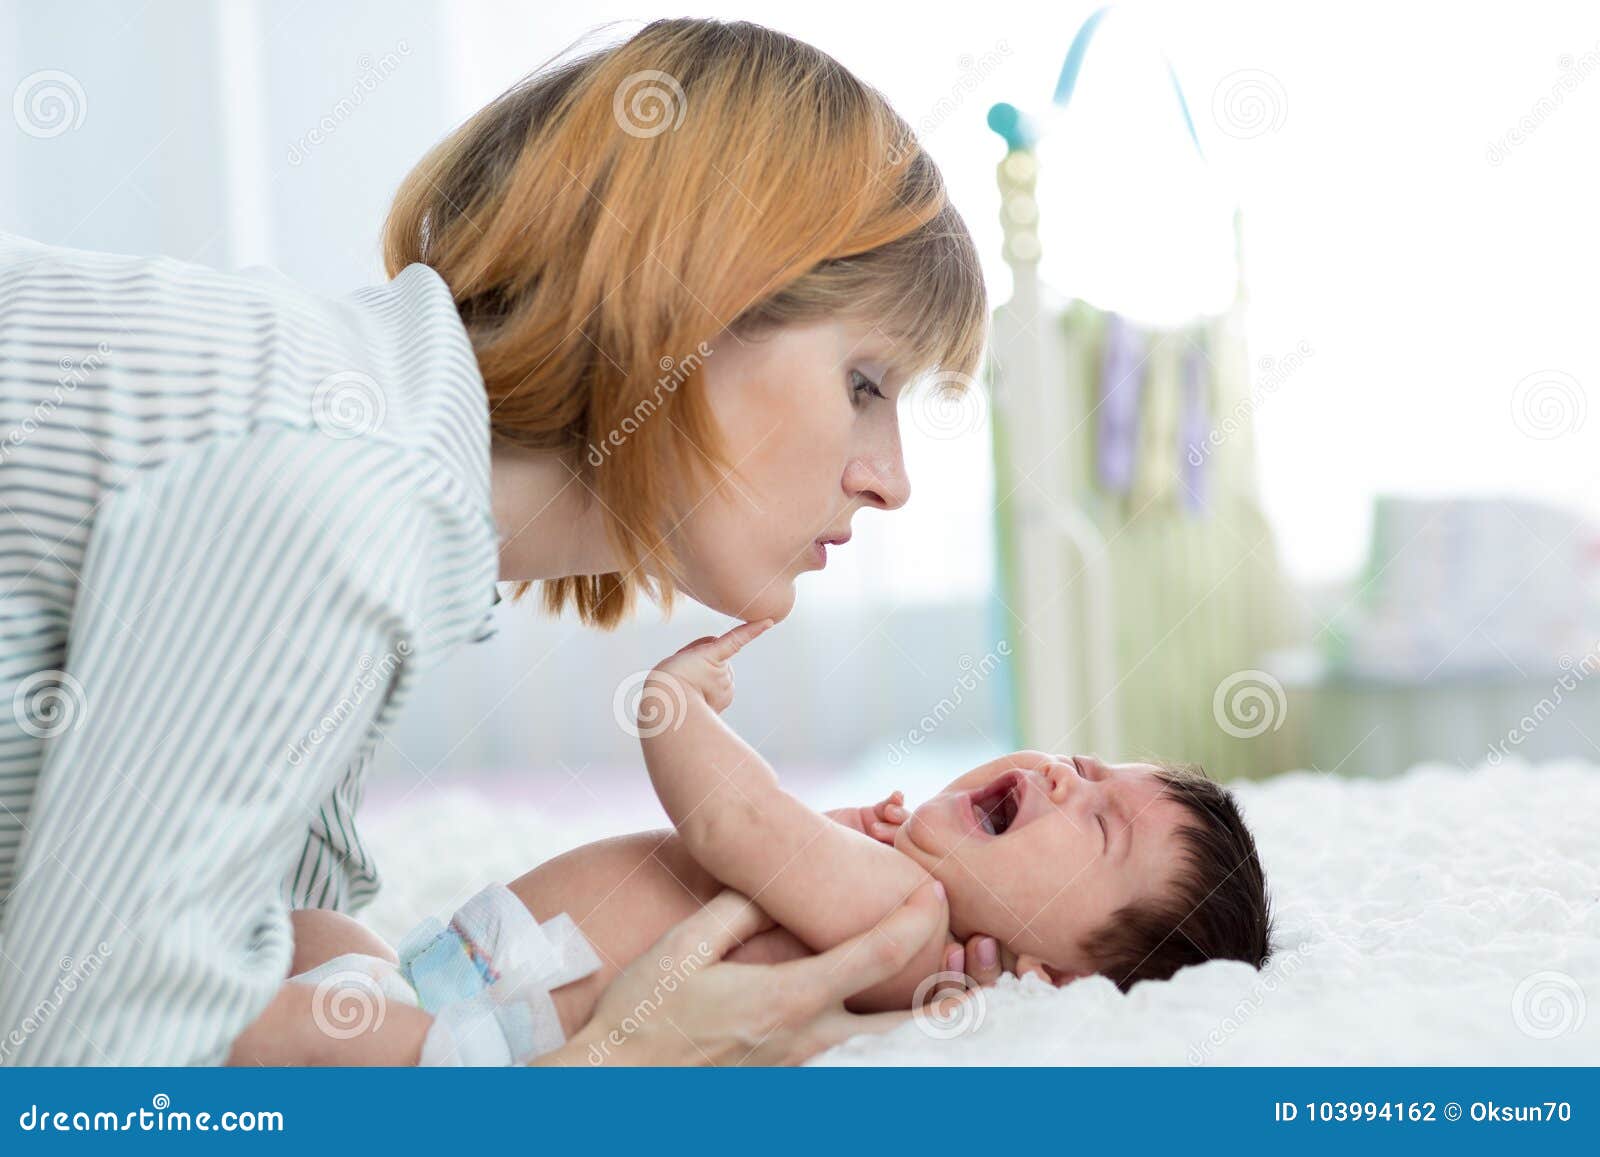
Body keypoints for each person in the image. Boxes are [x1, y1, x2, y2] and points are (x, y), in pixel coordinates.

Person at [0, 18, 989, 1065]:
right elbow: (81, 1085)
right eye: (864, 384)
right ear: (684, 300)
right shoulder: (342, 489)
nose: (892, 482)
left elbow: (260, 959)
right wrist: (607, 1070)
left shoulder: (378, 476)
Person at [274, 622, 1271, 1065]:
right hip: (446, 978)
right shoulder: (895, 893)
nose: (1064, 776)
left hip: (476, 1040)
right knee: (315, 931)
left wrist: (673, 703)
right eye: (1086, 763)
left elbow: (733, 818)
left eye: (1097, 822)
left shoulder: (904, 913)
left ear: (1059, 976)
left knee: (257, 1029)